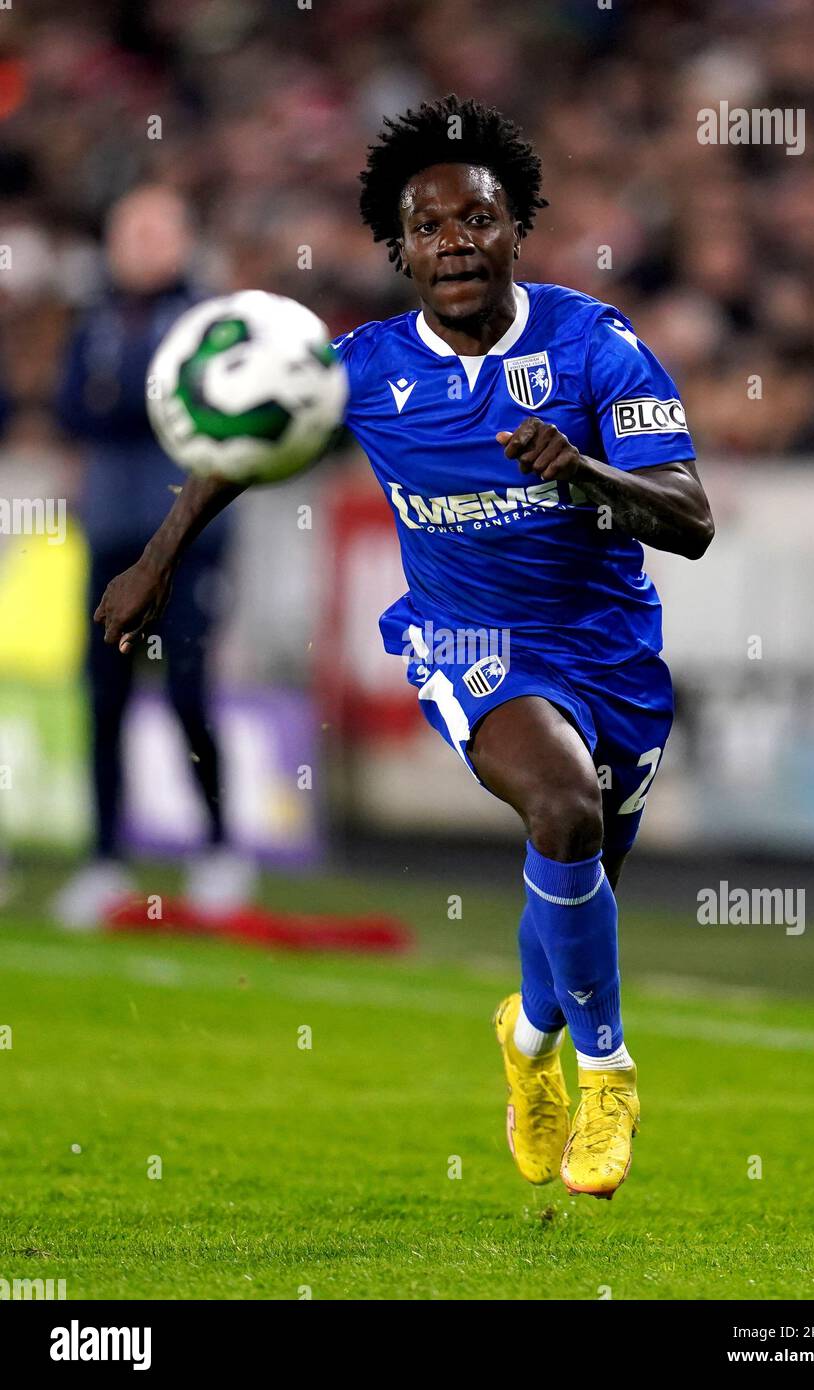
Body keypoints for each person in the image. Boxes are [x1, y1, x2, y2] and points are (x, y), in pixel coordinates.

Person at [93, 99, 714, 1199]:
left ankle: (528, 1043)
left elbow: (688, 517)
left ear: (516, 226)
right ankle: (609, 1073)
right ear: (400, 249)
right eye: (428, 227)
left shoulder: (594, 344)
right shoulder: (366, 369)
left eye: (476, 218)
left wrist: (583, 473)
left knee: (577, 883)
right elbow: (238, 449)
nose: (454, 241)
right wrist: (159, 559)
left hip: (608, 648)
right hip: (466, 640)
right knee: (562, 808)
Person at [53, 185, 254, 927]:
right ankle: (104, 859)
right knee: (102, 697)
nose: (139, 244)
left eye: (153, 230)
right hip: (109, 535)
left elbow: (197, 408)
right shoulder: (95, 318)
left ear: (182, 239)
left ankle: (219, 850)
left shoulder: (209, 319)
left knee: (188, 693)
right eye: (127, 230)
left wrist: (129, 403)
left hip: (189, 540)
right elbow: (73, 405)